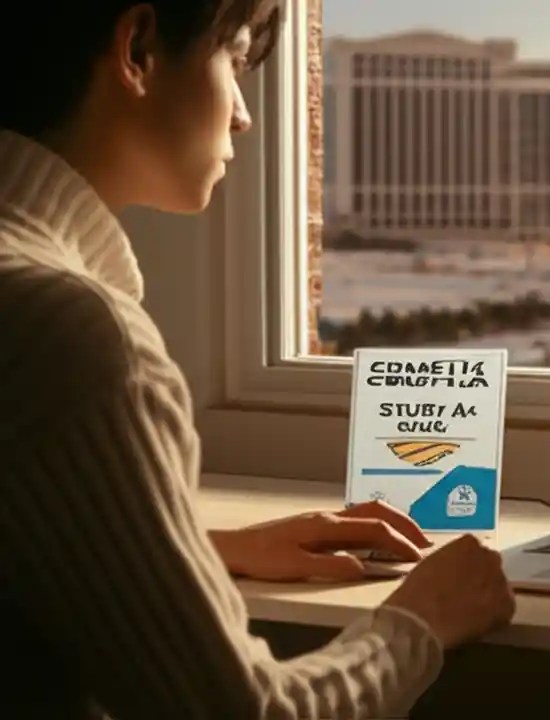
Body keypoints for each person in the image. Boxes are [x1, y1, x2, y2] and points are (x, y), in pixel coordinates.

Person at [0, 1, 515, 718]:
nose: (242, 115)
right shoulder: (76, 337)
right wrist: (421, 621)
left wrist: (192, 547)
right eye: (234, 61)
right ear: (139, 51)